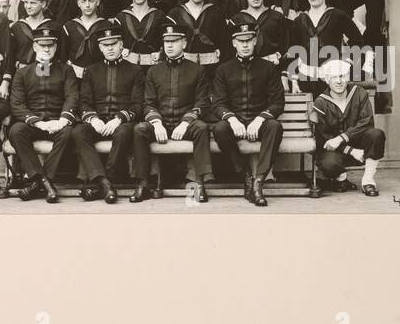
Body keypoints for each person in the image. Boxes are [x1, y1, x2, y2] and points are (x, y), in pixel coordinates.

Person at [132, 17, 214, 203]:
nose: (169, 46)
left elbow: (202, 102)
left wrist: (186, 123)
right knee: (139, 129)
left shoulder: (197, 70)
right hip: (162, 123)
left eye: (174, 41)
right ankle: (143, 183)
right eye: (166, 41)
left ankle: (199, 183)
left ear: (184, 43)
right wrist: (156, 123)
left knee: (202, 128)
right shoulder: (154, 71)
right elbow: (149, 102)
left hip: (185, 124)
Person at [211, 13, 284, 206]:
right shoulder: (223, 69)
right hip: (236, 124)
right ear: (233, 43)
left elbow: (278, 102)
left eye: (249, 40)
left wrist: (260, 119)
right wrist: (232, 120)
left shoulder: (268, 68)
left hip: (259, 122)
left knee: (275, 126)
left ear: (255, 41)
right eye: (240, 41)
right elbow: (217, 103)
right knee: (219, 129)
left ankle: (259, 181)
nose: (245, 45)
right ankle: (245, 175)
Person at [72, 21, 144, 203]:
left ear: (121, 45)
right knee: (79, 131)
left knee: (124, 131)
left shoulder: (135, 71)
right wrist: (94, 119)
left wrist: (119, 119)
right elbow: (85, 102)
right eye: (106, 45)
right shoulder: (91, 70)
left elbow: (137, 105)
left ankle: (102, 183)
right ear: (100, 47)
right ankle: (105, 184)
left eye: (114, 44)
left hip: (121, 124)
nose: (110, 48)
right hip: (99, 122)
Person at [7, 27, 80, 203]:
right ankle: (44, 182)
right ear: (34, 46)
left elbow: (72, 96)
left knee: (69, 132)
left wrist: (62, 120)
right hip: (34, 124)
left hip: (57, 123)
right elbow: (16, 104)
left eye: (50, 46)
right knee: (16, 130)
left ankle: (36, 184)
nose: (46, 50)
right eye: (42, 45)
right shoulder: (23, 72)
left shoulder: (66, 70)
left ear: (56, 47)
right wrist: (38, 122)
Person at [310, 58, 386, 196]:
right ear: (327, 80)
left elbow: (366, 122)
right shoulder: (321, 102)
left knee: (376, 134)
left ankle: (368, 181)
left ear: (347, 77)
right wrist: (350, 150)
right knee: (328, 164)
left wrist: (342, 137)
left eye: (342, 76)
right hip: (337, 151)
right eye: (334, 77)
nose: (339, 81)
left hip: (359, 146)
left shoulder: (359, 92)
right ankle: (341, 178)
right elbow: (324, 139)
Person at [287, 0, 366, 97]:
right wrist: (294, 79)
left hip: (332, 78)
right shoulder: (299, 20)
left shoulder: (338, 16)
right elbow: (294, 51)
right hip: (306, 78)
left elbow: (358, 41)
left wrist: (346, 62)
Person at [63, 0, 112, 76]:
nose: (87, 5)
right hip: (74, 75)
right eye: (83, 1)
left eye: (91, 1)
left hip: (99, 74)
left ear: (98, 2)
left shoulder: (106, 25)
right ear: (78, 4)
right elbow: (63, 55)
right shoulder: (69, 26)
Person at [119, 0, 166, 67]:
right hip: (128, 68)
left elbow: (166, 42)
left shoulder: (159, 15)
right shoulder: (121, 17)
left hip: (154, 67)